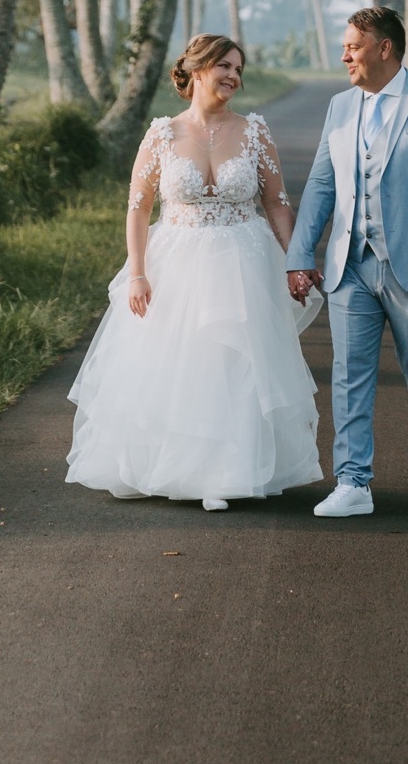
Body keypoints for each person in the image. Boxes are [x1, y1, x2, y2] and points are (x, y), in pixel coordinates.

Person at [66, 34, 322, 511]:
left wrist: (297, 260)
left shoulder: (254, 131)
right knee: (182, 368)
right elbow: (138, 209)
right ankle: (181, 468)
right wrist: (138, 273)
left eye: (239, 70)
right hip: (177, 260)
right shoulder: (162, 133)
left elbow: (276, 204)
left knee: (236, 367)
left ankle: (227, 474)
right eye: (225, 66)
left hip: (244, 259)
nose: (234, 77)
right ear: (199, 70)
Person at [285, 6, 408, 517]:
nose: (344, 55)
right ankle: (353, 482)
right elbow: (322, 184)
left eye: (353, 45)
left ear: (384, 48)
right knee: (350, 374)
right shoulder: (339, 106)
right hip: (350, 262)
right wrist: (299, 254)